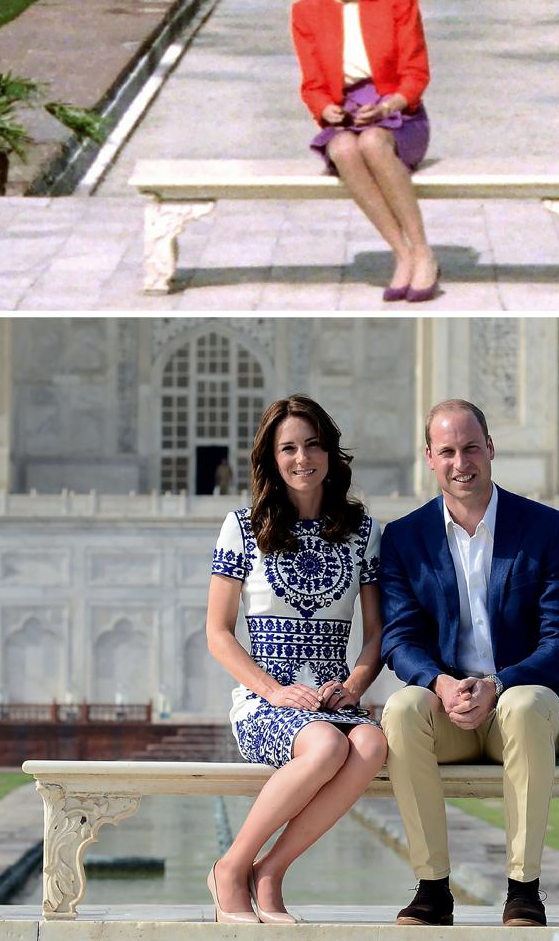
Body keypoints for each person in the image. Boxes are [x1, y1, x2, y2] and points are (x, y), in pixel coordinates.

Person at [379, 399, 559, 928]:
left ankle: (523, 889)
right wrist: (440, 684)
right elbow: (399, 641)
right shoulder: (405, 539)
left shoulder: (545, 529)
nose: (460, 462)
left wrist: (499, 683)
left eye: (471, 448)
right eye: (446, 451)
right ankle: (431, 888)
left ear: (490, 448)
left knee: (525, 701)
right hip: (450, 712)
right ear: (429, 457)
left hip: (519, 708)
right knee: (402, 709)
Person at [206, 395, 387, 924]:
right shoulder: (243, 527)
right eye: (288, 448)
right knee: (328, 744)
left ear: (330, 452)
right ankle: (231, 867)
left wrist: (355, 683)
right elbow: (218, 634)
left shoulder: (362, 532)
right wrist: (273, 690)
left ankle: (271, 872)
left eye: (312, 444)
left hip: (333, 698)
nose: (301, 457)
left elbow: (377, 633)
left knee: (372, 742)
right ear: (271, 458)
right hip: (268, 700)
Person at [290, 0, 440, 302]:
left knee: (373, 142)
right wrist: (326, 109)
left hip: (400, 116)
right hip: (347, 117)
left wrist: (389, 104)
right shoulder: (306, 10)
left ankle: (423, 251)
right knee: (342, 147)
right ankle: (402, 253)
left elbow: (416, 74)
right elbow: (312, 85)